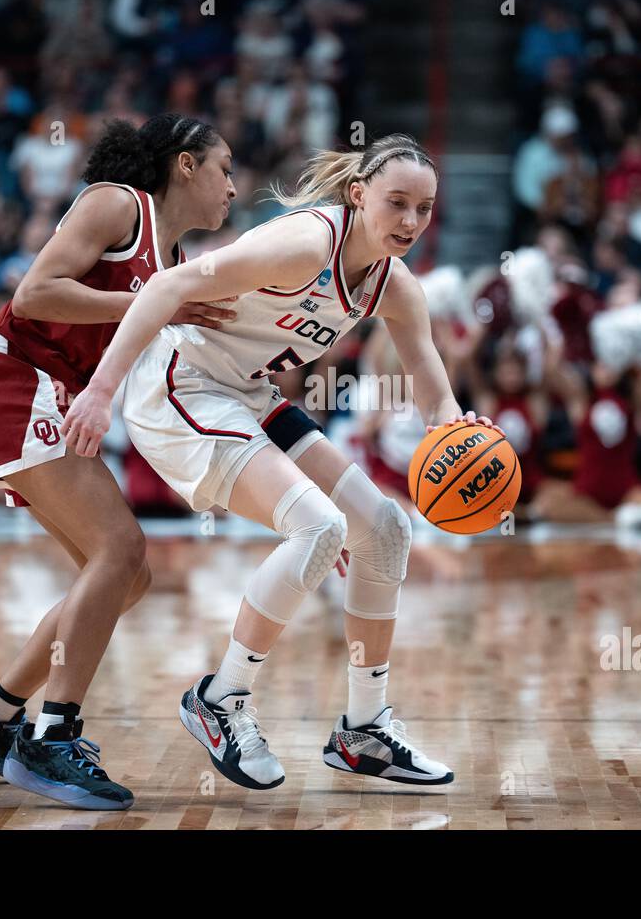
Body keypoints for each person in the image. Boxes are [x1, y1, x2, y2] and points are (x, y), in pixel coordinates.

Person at [63, 134, 497, 789]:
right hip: (177, 384)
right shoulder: (303, 244)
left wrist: (466, 438)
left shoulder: (396, 287)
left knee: (383, 530)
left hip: (247, 393)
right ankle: (221, 697)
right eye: (397, 203)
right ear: (358, 195)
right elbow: (168, 286)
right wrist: (99, 392)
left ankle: (364, 726)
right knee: (319, 528)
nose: (410, 221)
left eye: (424, 208)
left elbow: (437, 398)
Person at [0, 114, 239, 810]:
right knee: (121, 547)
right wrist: (156, 307)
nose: (233, 185)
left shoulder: (168, 266)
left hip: (43, 394)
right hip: (10, 380)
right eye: (225, 168)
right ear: (186, 167)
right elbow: (34, 293)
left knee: (123, 576)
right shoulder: (116, 203)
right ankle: (52, 736)